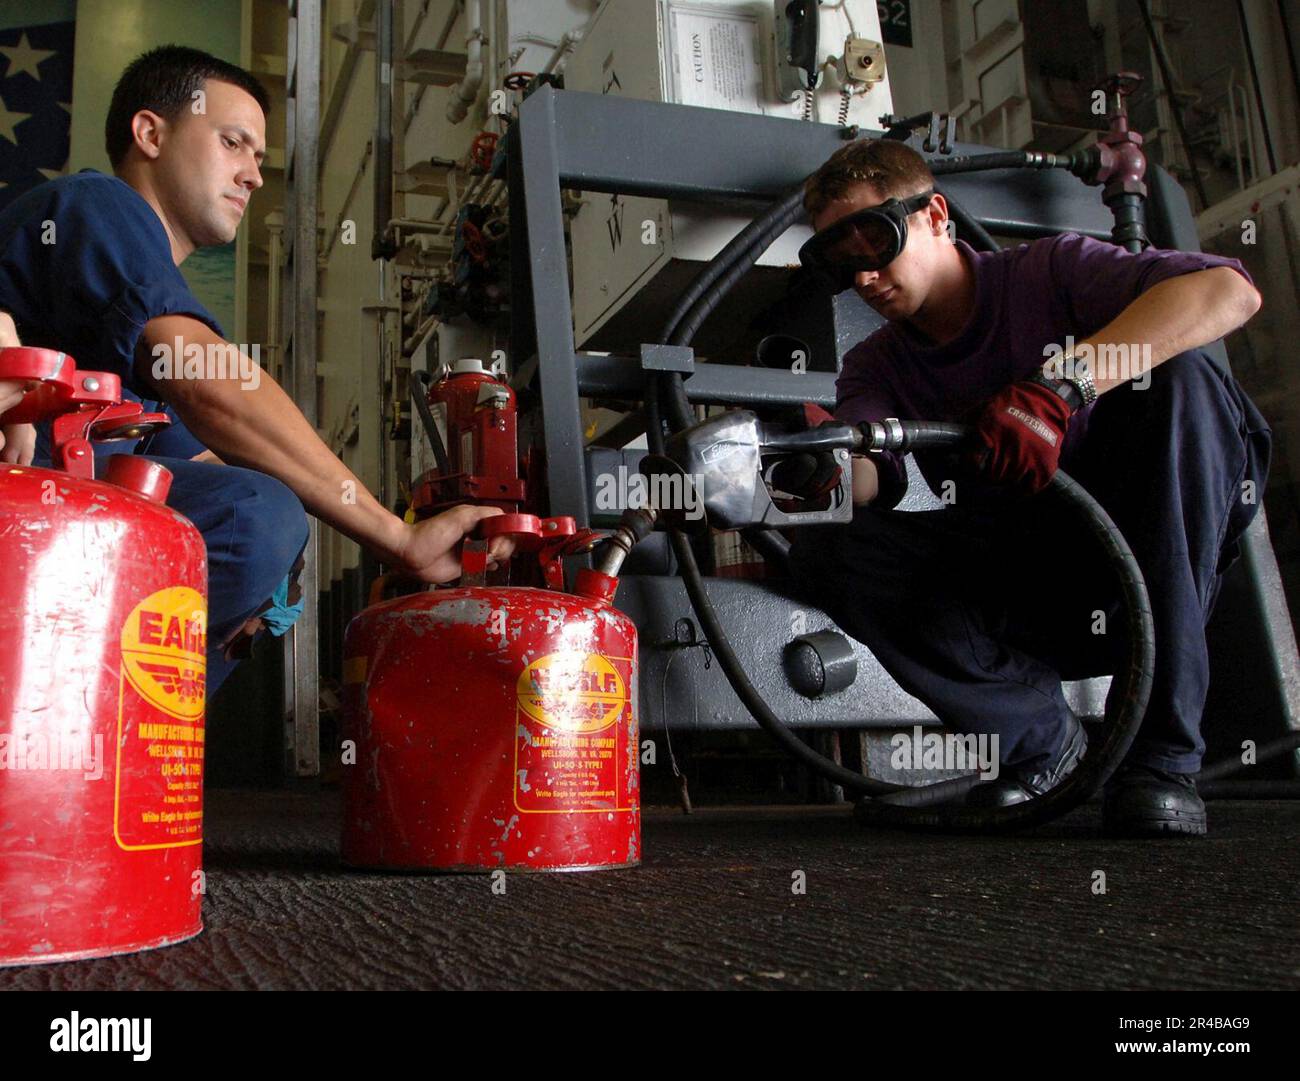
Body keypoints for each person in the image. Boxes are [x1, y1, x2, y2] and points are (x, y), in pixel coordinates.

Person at [789, 139, 1270, 836]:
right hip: (1033, 589)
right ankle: (1047, 745)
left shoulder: (1049, 271)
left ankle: (1162, 758)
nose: (864, 275)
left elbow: (1229, 290)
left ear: (934, 216)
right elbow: (864, 477)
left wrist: (1062, 387)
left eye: (876, 238)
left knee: (1184, 378)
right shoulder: (876, 367)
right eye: (843, 257)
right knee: (828, 544)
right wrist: (813, 462)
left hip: (1153, 552)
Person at [0, 46, 509, 698]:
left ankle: (95, 756)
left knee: (257, 523)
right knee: (257, 517)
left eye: (260, 159)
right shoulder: (99, 204)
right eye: (233, 143)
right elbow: (211, 386)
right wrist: (396, 536)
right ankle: (84, 749)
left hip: (39, 524)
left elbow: (217, 458)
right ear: (150, 133)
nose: (252, 176)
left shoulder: (118, 337)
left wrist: (268, 581)